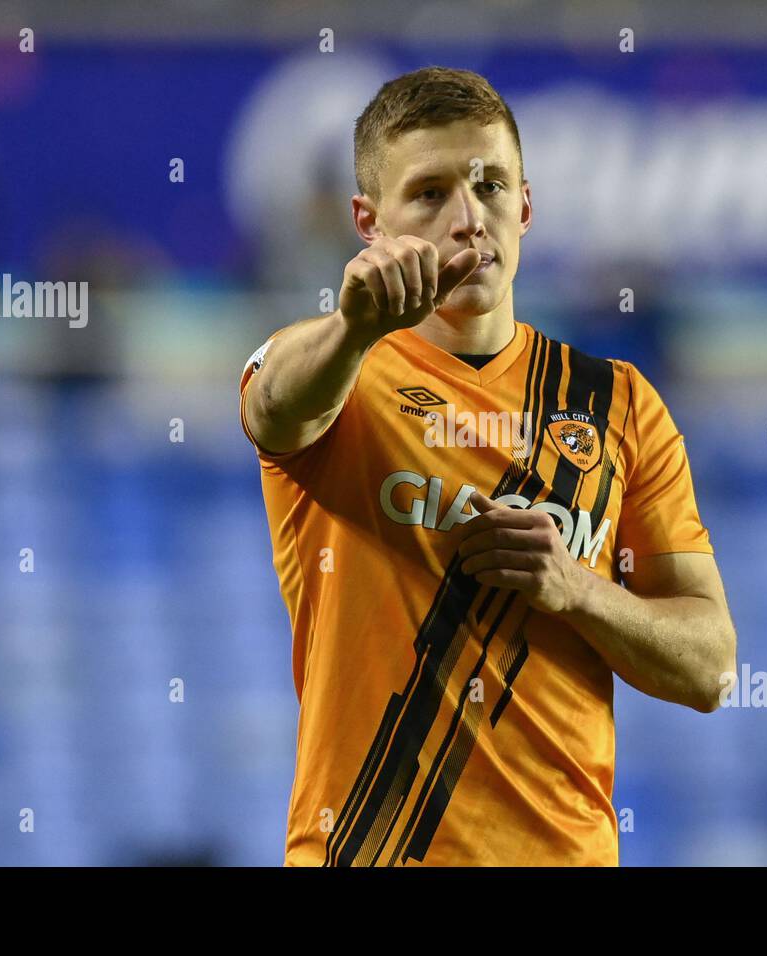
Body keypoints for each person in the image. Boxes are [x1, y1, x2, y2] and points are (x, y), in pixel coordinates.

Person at [239, 66, 736, 866]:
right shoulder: (342, 373)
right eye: (429, 194)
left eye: (491, 185)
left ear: (527, 207)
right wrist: (351, 329)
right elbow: (273, 407)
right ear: (369, 221)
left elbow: (711, 667)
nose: (469, 219)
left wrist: (578, 589)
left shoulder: (617, 404)